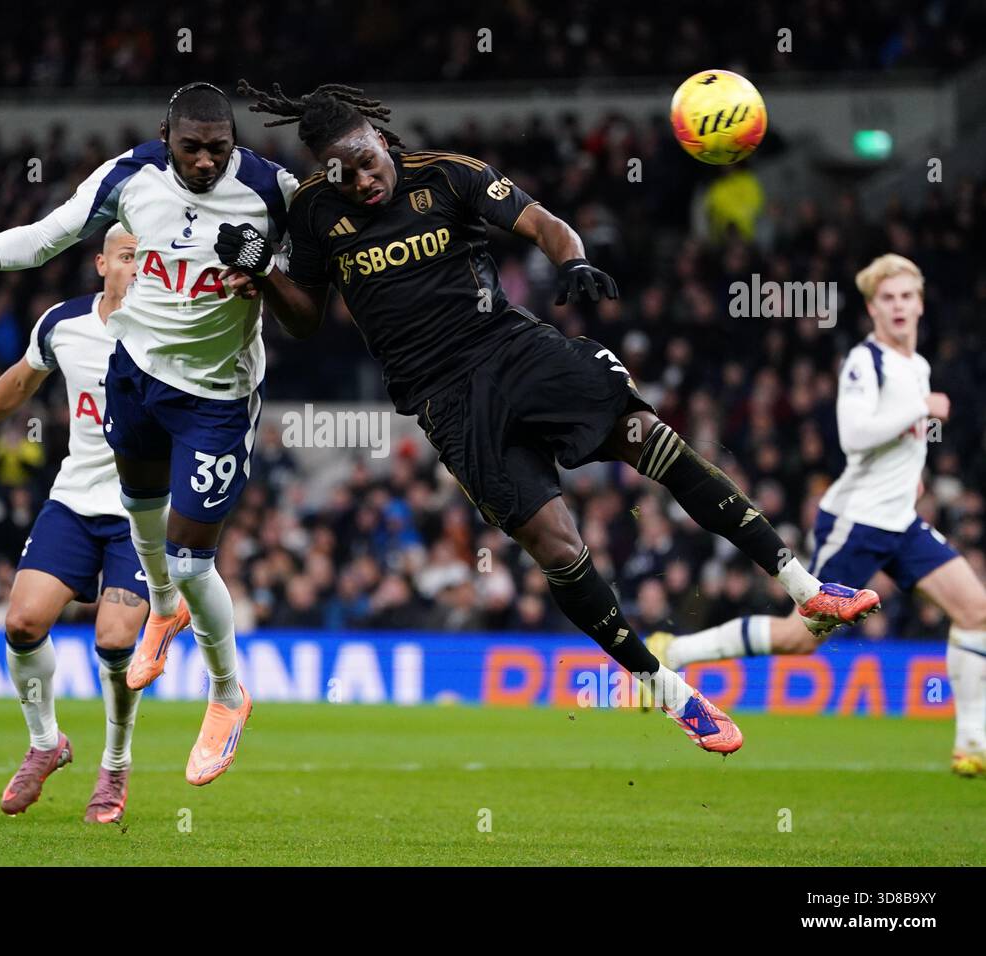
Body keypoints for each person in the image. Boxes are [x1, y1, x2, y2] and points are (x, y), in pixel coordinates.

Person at [218, 80, 881, 754]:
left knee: (649, 438)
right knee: (559, 549)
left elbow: (543, 224)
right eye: (343, 172)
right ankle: (670, 692)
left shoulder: (448, 175)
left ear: (382, 140)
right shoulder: (312, 215)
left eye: (366, 160)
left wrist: (574, 262)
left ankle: (805, 586)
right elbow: (302, 321)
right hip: (445, 400)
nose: (361, 181)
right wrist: (265, 274)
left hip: (510, 348)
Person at [0, 83, 299, 785]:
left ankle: (226, 694)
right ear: (167, 136)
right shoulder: (130, 176)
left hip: (216, 396)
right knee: (146, 524)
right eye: (192, 148)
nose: (207, 162)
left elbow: (314, 300)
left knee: (190, 563)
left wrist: (268, 272)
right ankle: (162, 616)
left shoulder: (275, 191)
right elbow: (47, 236)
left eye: (220, 148)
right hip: (139, 377)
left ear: (235, 142)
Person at [647, 255, 986, 776]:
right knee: (798, 641)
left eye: (906, 297)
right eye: (887, 298)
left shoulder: (916, 367)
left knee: (976, 611)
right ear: (873, 308)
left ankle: (970, 746)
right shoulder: (863, 362)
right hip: (856, 524)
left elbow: (894, 444)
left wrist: (911, 473)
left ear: (920, 304)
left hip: (902, 521)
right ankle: (678, 647)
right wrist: (922, 409)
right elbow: (854, 436)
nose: (898, 306)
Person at [0, 226, 148, 821]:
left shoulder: (178, 330)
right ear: (101, 263)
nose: (138, 266)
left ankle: (115, 764)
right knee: (21, 623)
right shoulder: (63, 324)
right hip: (74, 499)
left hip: (143, 510)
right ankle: (47, 744)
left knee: (116, 641)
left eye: (148, 257)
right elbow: (19, 382)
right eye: (127, 256)